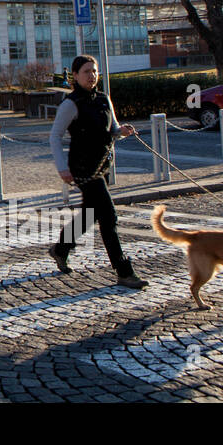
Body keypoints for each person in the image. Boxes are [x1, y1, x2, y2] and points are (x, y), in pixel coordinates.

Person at [48, 54, 148, 289]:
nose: (92, 75)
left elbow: (111, 128)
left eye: (94, 71)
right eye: (86, 71)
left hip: (101, 165)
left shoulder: (104, 99)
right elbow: (54, 136)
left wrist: (121, 131)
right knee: (109, 216)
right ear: (75, 76)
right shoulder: (70, 104)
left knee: (89, 215)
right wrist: (62, 168)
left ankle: (60, 249)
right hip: (83, 169)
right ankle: (124, 271)